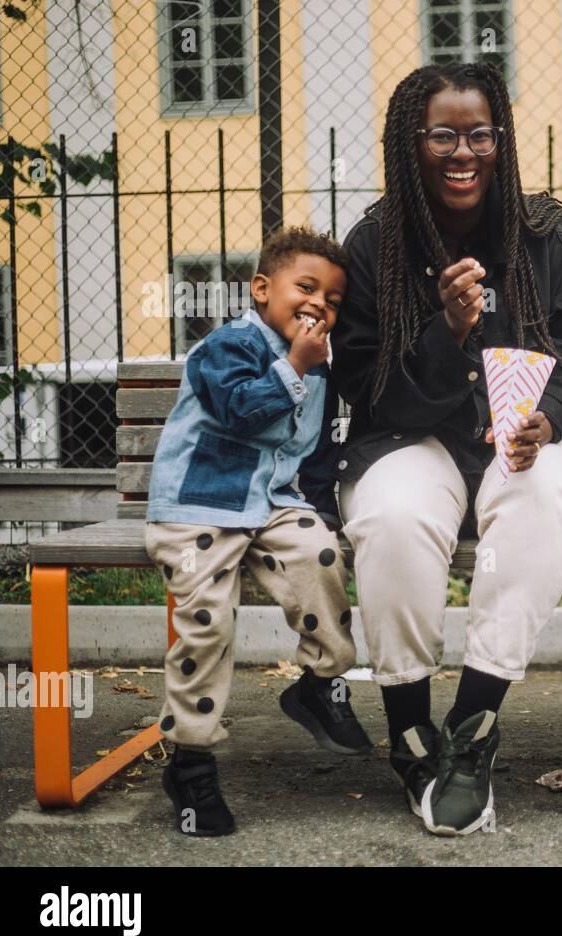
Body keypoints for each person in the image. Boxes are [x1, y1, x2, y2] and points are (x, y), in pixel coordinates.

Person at [330, 62, 562, 837]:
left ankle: (471, 727)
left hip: (522, 440)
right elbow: (366, 387)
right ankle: (410, 729)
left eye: (481, 134)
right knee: (392, 514)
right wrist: (446, 334)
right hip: (411, 436)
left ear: (503, 139)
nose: (465, 152)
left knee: (548, 491)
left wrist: (549, 419)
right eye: (444, 135)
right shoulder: (375, 243)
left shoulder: (544, 234)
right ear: (409, 143)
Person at [147, 226, 369, 837]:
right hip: (199, 506)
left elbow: (316, 449)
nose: (320, 304)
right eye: (306, 287)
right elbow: (241, 411)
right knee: (208, 621)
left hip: (271, 504)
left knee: (321, 554)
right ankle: (191, 763)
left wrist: (317, 509)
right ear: (262, 288)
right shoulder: (229, 346)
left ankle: (320, 683)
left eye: (333, 298)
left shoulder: (319, 364)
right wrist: (295, 365)